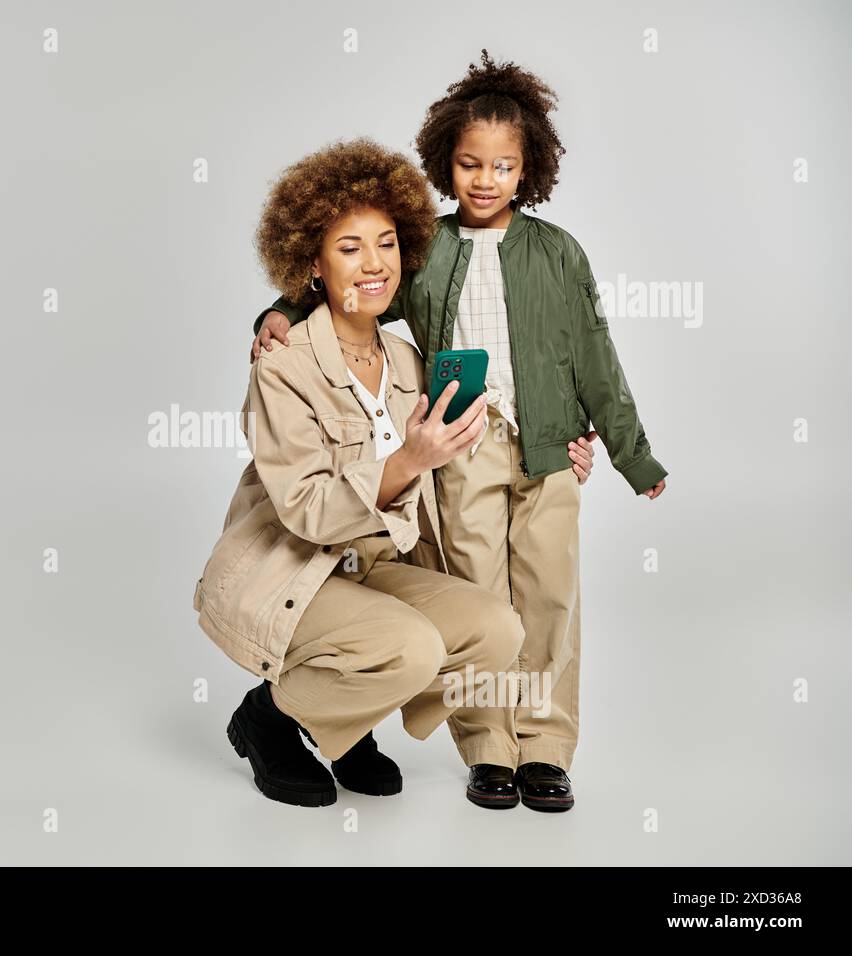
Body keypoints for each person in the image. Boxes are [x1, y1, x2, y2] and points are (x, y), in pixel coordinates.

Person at [249, 52, 666, 811]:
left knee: (549, 600)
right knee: (479, 592)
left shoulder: (557, 253)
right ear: (446, 162)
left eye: (502, 167)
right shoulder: (423, 251)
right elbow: (350, 295)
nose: (484, 180)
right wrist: (277, 313)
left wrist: (631, 454)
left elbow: (597, 358)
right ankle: (487, 746)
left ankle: (544, 743)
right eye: (470, 164)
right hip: (460, 449)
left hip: (549, 449)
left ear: (527, 169)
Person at [193, 138, 531, 808]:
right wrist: (409, 459)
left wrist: (569, 441)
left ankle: (341, 724)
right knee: (406, 647)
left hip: (369, 566)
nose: (374, 264)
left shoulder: (408, 360)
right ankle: (271, 718)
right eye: (349, 248)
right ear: (312, 263)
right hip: (294, 567)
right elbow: (307, 509)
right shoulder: (283, 362)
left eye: (387, 244)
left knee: (497, 629)